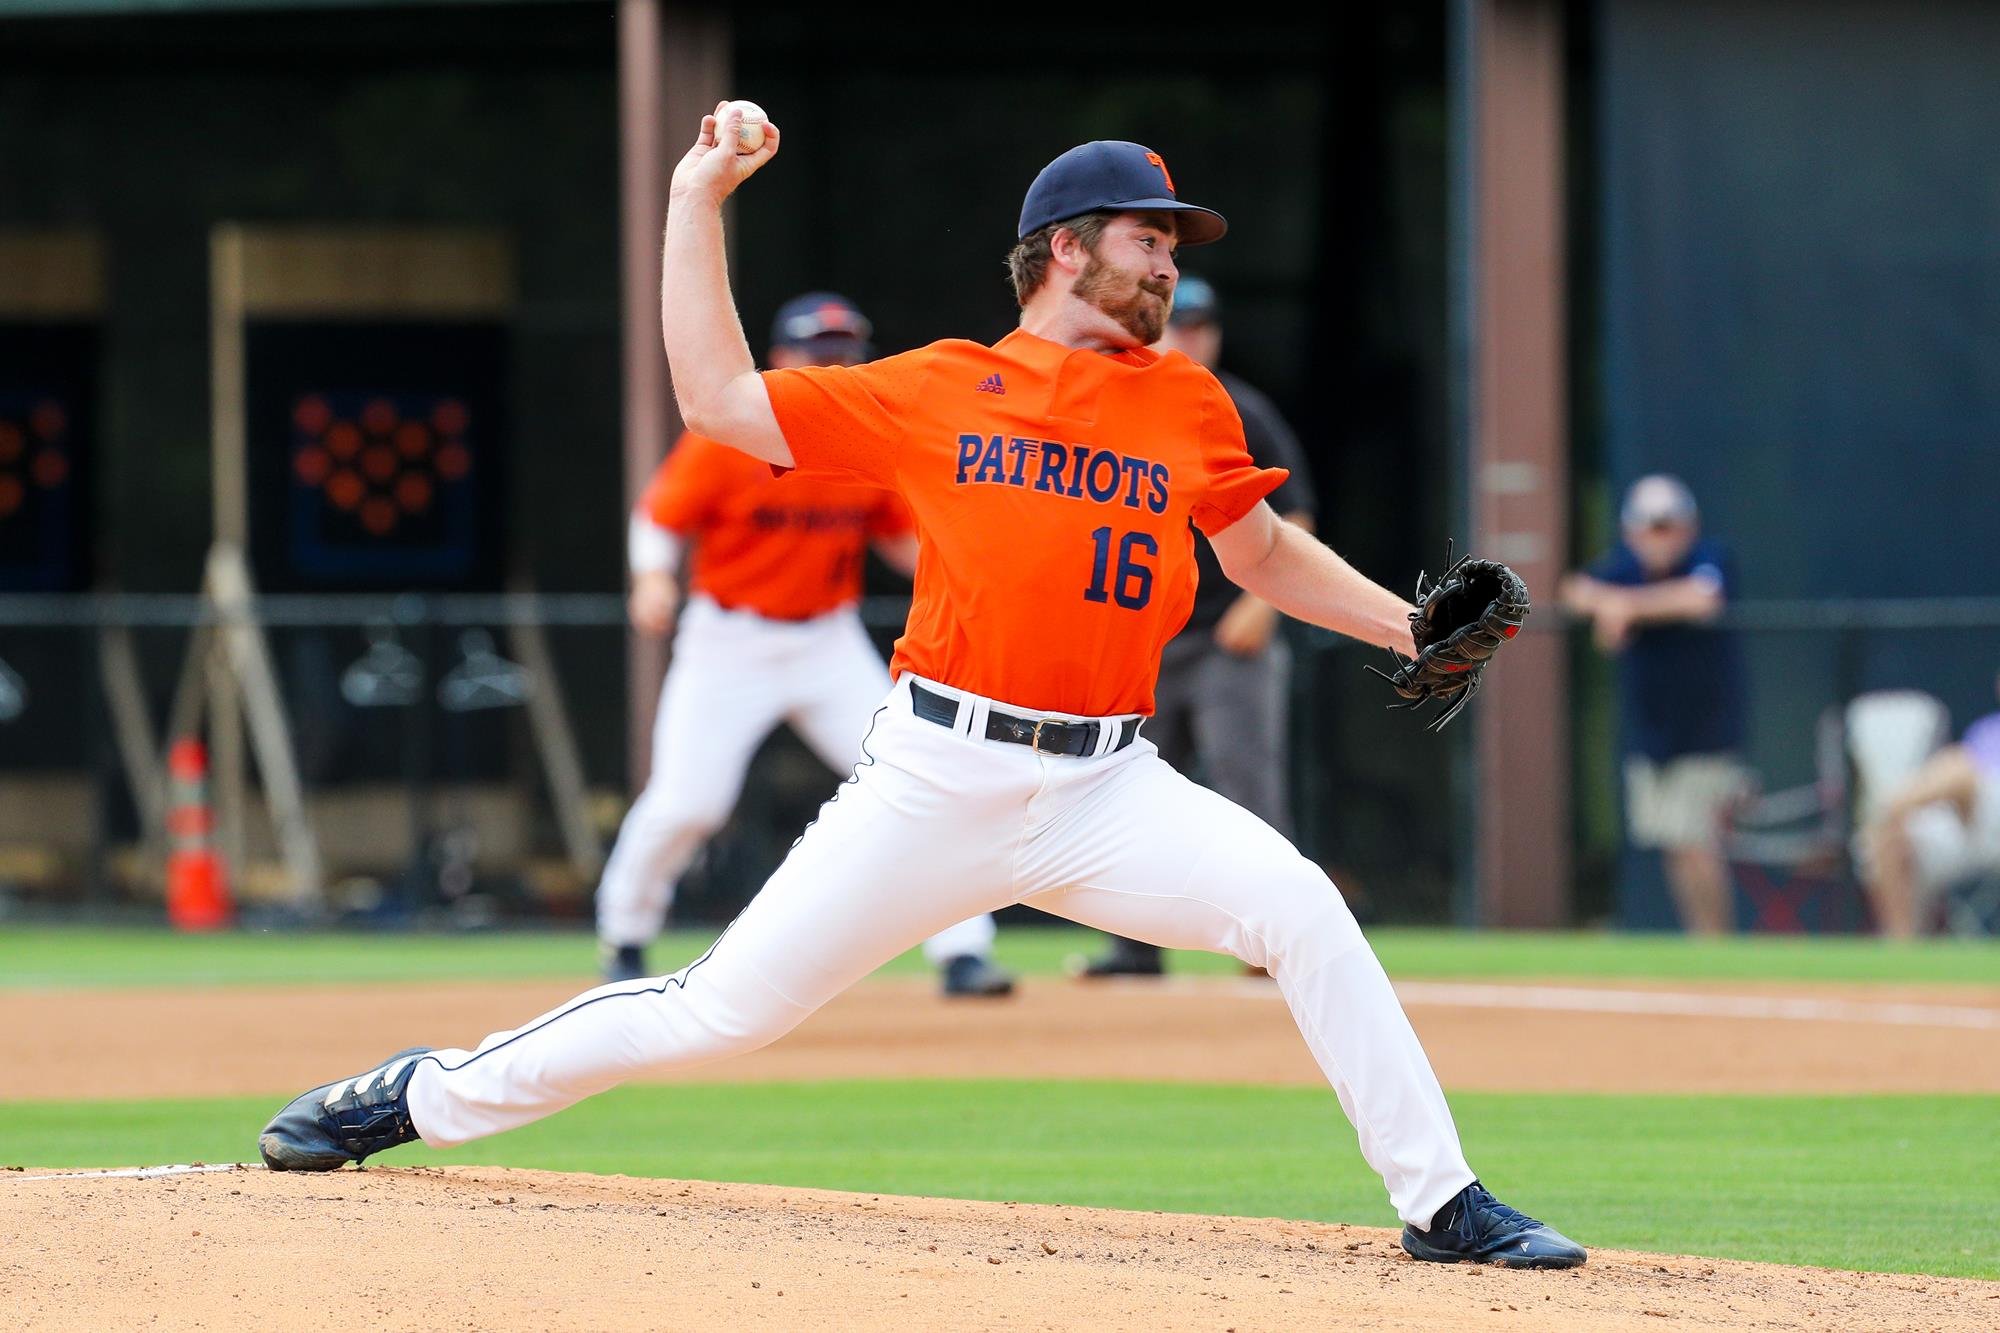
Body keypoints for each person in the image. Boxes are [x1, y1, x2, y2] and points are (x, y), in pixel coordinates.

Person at [258, 116, 1585, 1269]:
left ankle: (1444, 1202)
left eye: (1178, 242)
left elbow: (1259, 551)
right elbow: (719, 402)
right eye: (1147, 236)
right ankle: (420, 1094)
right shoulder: (940, 387)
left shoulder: (1187, 404)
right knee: (722, 1009)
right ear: (1065, 246)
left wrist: (1411, 625)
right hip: (936, 775)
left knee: (1298, 906)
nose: (1172, 259)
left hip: (1110, 787)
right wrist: (694, 202)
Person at [602, 292, 1015, 998]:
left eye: (845, 352)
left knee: (920, 776)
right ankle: (626, 934)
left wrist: (980, 569)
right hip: (727, 640)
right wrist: (649, 576)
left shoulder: (865, 442)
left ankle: (964, 951)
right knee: (688, 802)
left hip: (826, 640)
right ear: (780, 360)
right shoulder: (730, 434)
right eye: (819, 352)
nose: (835, 364)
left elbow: (902, 540)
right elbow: (659, 515)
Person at [1082, 275, 1317, 977]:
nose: (1191, 336)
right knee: (1126, 790)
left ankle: (1273, 939)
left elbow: (1294, 514)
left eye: (1202, 325)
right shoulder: (1118, 402)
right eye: (1178, 324)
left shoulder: (1240, 409)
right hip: (1147, 640)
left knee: (1248, 785)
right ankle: (1133, 946)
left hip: (1224, 636)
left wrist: (1263, 604)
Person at [1560, 475, 1749, 935]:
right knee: (1675, 845)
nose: (1659, 538)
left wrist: (1624, 609)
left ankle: (1718, 946)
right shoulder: (1625, 569)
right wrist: (1612, 604)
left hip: (1706, 733)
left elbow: (1701, 598)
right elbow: (1573, 589)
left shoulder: (1708, 558)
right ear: (1631, 531)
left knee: (1698, 843)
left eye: (1668, 526)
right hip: (1653, 735)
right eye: (1649, 527)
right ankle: (1702, 942)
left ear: (1688, 527)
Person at [1862, 673, 2000, 937]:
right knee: (1891, 838)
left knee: (1958, 766)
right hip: (1974, 825)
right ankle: (1903, 951)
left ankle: (1890, 807)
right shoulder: (1986, 729)